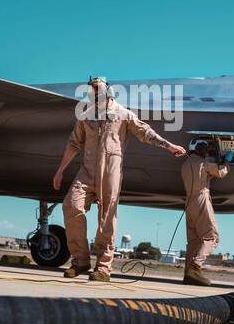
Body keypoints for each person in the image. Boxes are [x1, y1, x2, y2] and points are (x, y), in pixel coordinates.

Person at [53, 77, 186, 281]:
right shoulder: (86, 116)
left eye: (97, 94)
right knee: (71, 205)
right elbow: (74, 143)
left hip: (110, 173)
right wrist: (60, 170)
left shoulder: (123, 114)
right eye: (91, 94)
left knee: (106, 218)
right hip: (87, 171)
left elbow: (145, 132)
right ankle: (80, 260)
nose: (94, 98)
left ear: (108, 94)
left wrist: (169, 146)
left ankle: (103, 268)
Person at [180, 140, 229, 285]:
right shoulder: (204, 164)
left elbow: (203, 176)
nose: (206, 152)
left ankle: (188, 275)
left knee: (194, 241)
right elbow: (220, 172)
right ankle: (196, 266)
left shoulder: (185, 165)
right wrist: (226, 162)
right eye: (205, 149)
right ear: (200, 149)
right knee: (212, 237)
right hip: (201, 200)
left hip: (189, 203)